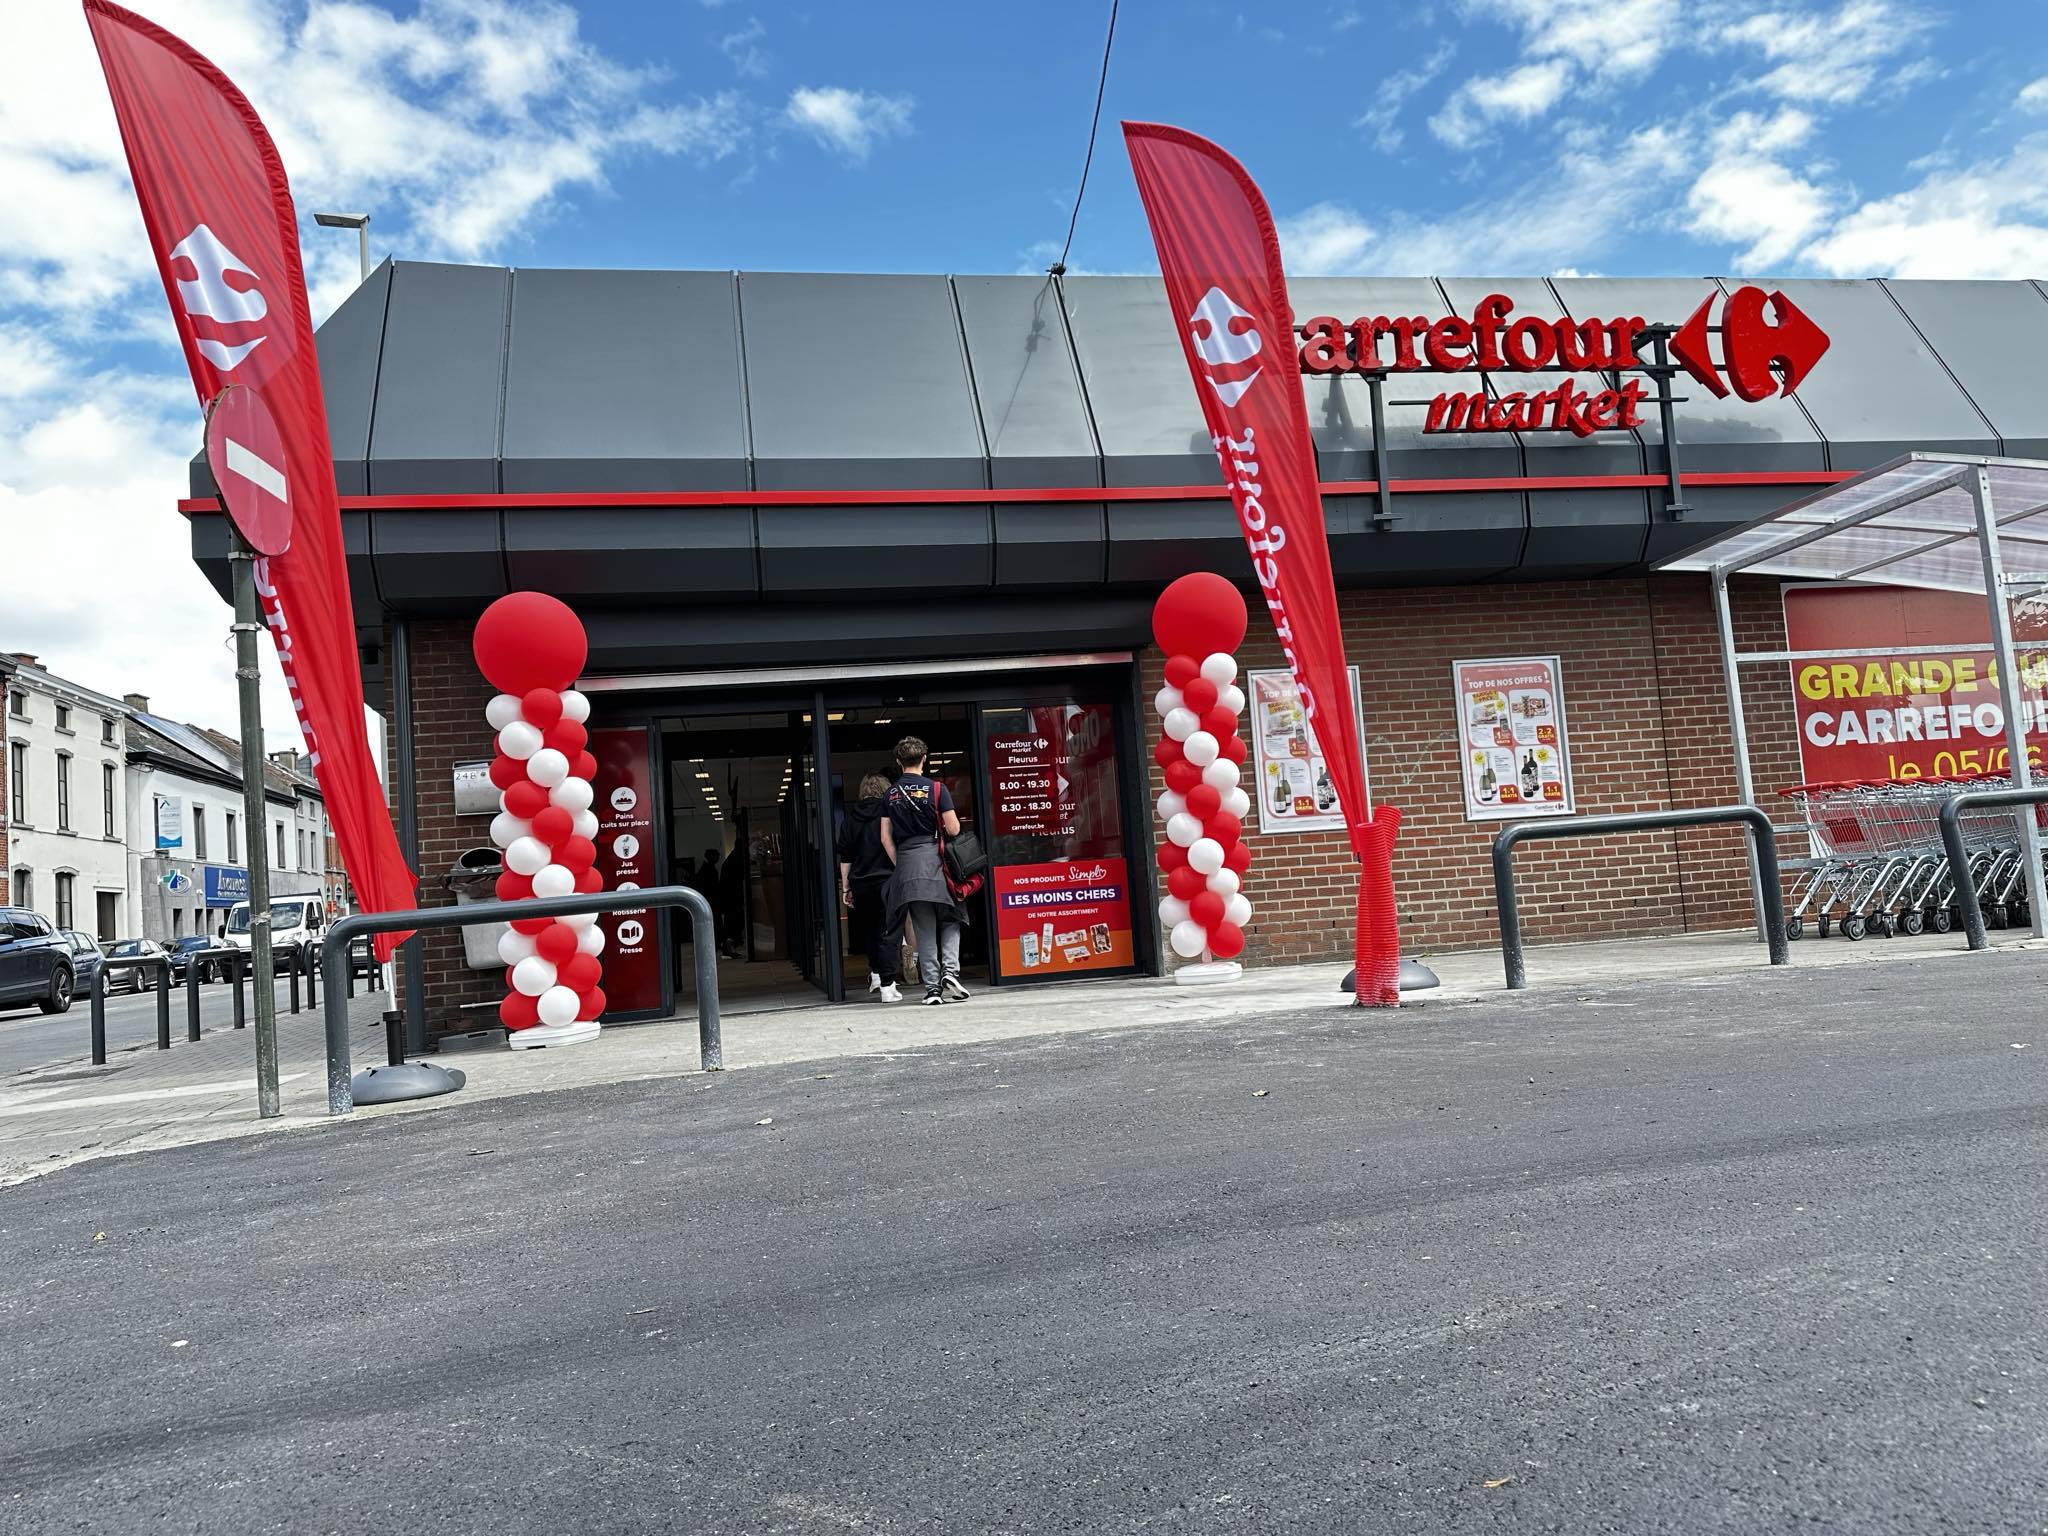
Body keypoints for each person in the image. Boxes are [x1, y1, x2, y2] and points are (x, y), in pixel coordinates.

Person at [879, 736, 969, 1006]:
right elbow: (953, 829)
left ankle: (932, 989)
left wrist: (902, 864)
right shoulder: (937, 789)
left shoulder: (890, 794)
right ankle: (950, 972)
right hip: (936, 862)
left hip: (907, 863)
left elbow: (885, 838)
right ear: (924, 759)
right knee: (953, 915)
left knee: (923, 926)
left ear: (898, 762)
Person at [837, 773, 902, 1002]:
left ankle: (876, 974)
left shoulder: (849, 819)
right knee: (889, 932)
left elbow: (846, 857)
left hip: (861, 882)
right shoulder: (889, 813)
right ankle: (887, 984)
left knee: (870, 931)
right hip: (887, 880)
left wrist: (846, 887)